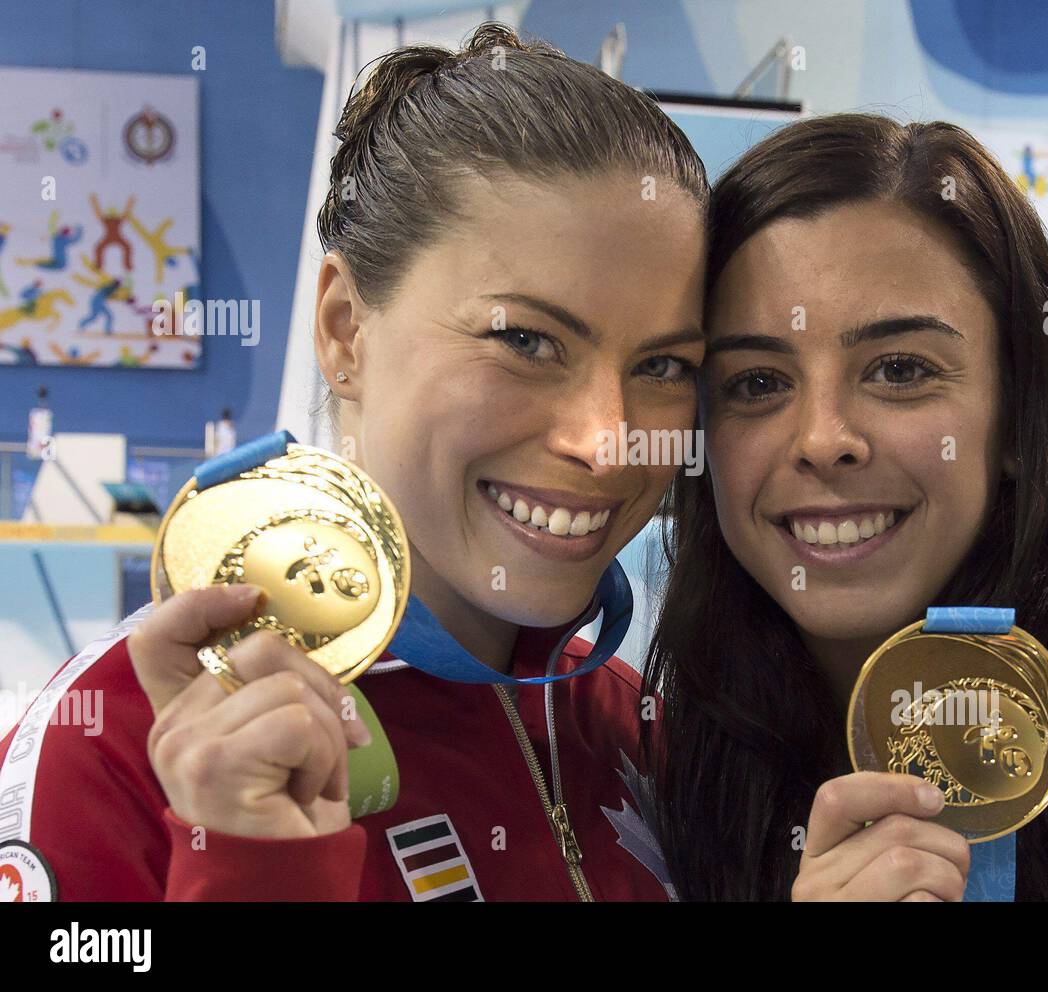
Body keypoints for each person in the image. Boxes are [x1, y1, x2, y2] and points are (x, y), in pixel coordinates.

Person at [0, 24, 706, 902]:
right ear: (344, 331)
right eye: (525, 340)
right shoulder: (119, 738)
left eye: (665, 366)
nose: (608, 439)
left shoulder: (634, 725)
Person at [642, 113, 1048, 902]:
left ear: (1021, 415)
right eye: (757, 382)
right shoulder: (644, 765)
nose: (823, 440)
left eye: (899, 369)